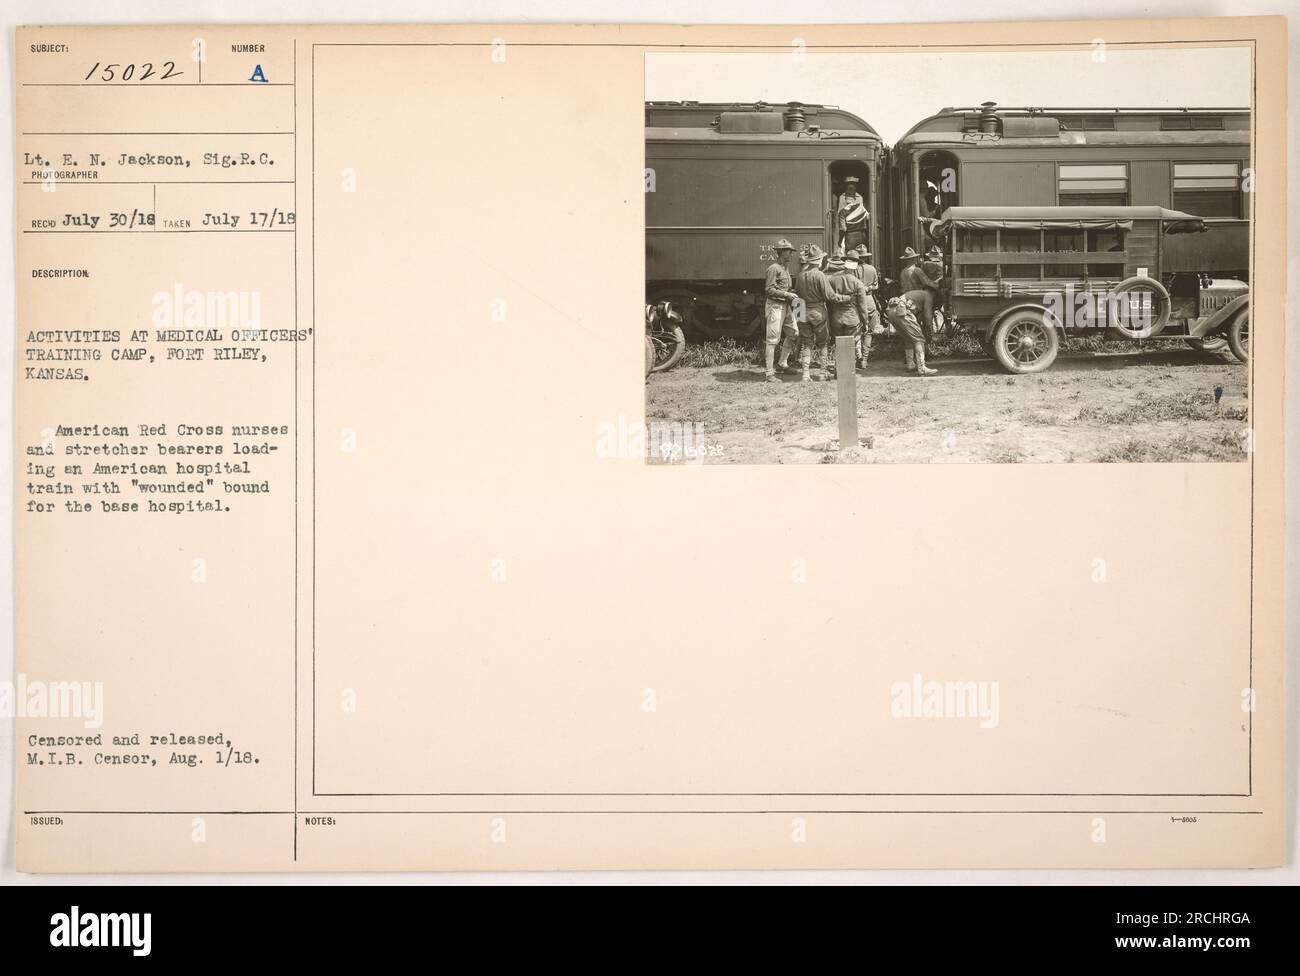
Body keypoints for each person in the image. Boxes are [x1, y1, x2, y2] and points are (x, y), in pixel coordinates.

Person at [791, 243, 847, 381]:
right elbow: (830, 296)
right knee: (823, 343)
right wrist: (846, 297)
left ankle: (805, 374)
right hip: (817, 312)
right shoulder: (820, 275)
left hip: (802, 311)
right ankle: (822, 373)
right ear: (819, 260)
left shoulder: (800, 276)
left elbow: (797, 294)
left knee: (807, 342)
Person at [826, 253, 875, 370]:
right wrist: (865, 322)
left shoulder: (833, 280)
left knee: (839, 345)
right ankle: (846, 371)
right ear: (855, 266)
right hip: (852, 319)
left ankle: (839, 368)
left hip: (836, 317)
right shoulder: (858, 283)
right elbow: (863, 307)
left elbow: (829, 300)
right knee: (850, 346)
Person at [762, 239, 800, 382]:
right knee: (772, 340)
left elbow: (784, 288)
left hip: (785, 306)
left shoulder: (784, 268)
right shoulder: (774, 268)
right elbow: (769, 290)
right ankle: (769, 374)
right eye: (789, 251)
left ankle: (782, 364)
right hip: (775, 306)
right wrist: (787, 294)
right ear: (782, 252)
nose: (791, 254)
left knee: (794, 333)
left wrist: (792, 293)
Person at [884, 289, 938, 376]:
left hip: (891, 311)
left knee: (909, 338)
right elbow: (928, 317)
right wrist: (932, 334)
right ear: (934, 293)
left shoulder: (917, 294)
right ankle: (922, 368)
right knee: (919, 339)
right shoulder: (928, 295)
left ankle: (910, 364)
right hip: (901, 310)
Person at [898, 246, 942, 340]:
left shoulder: (903, 272)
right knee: (925, 318)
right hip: (917, 300)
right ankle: (928, 339)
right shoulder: (917, 270)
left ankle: (914, 342)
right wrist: (938, 285)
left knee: (912, 324)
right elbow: (927, 282)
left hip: (906, 299)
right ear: (914, 259)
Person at [852, 245, 884, 353]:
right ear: (866, 257)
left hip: (856, 301)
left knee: (857, 329)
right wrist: (869, 288)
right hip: (869, 300)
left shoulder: (853, 270)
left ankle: (858, 354)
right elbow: (876, 286)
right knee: (869, 331)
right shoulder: (872, 269)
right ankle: (865, 359)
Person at [837, 176, 869, 252]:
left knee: (851, 253)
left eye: (853, 184)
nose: (851, 187)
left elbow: (842, 221)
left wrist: (840, 239)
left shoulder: (859, 197)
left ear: (855, 187)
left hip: (852, 232)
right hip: (856, 232)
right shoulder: (842, 197)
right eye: (849, 184)